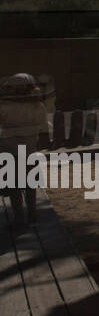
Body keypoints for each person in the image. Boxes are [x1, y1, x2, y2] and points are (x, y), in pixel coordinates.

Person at [0, 73, 48, 227]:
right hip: (30, 150)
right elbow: (44, 129)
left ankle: (19, 218)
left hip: (9, 150)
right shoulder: (39, 106)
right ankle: (32, 215)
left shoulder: (5, 106)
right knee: (30, 186)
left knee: (14, 187)